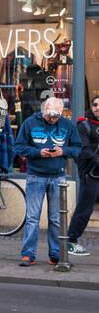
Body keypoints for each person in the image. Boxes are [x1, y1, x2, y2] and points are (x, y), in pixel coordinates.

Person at [13, 96, 82, 266]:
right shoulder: (30, 123)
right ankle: (28, 255)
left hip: (58, 176)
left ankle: (56, 255)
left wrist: (62, 151)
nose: (53, 120)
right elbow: (19, 146)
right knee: (32, 218)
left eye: (56, 117)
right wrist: (38, 152)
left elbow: (77, 148)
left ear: (61, 113)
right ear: (44, 110)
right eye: (50, 116)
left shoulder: (67, 124)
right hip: (36, 175)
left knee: (56, 219)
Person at [66, 95, 99, 257]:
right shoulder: (83, 124)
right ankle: (71, 241)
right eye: (95, 104)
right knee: (85, 209)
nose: (97, 107)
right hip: (90, 174)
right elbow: (83, 150)